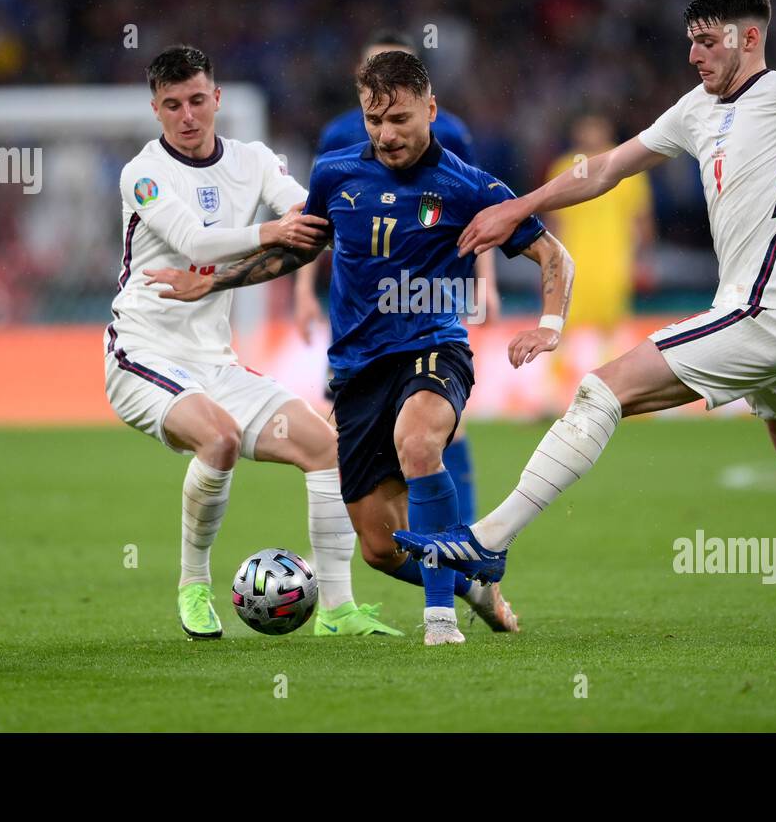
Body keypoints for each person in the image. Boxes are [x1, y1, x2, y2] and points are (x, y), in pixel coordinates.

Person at [396, 0, 776, 632]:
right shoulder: (695, 110)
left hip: (768, 310)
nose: (695, 56)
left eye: (707, 42)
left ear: (749, 39)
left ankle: (490, 539)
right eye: (690, 43)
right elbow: (603, 169)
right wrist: (521, 205)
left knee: (602, 389)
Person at [145, 51, 575, 645]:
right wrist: (213, 279)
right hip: (355, 370)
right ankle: (472, 584)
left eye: (399, 119)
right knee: (378, 546)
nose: (386, 134)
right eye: (374, 120)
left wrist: (550, 324)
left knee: (419, 443)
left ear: (431, 109)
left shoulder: (468, 186)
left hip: (433, 348)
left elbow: (554, 255)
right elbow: (299, 249)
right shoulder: (334, 173)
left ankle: (439, 622)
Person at [105, 44, 402, 640]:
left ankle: (338, 610)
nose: (187, 116)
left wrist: (316, 219)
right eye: (172, 105)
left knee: (326, 447)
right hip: (141, 354)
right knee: (218, 439)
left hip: (216, 361)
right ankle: (193, 585)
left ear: (216, 98)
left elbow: (309, 220)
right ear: (156, 111)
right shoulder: (142, 174)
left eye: (196, 100)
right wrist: (275, 230)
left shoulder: (253, 160)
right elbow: (194, 242)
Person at [294, 29, 500, 535]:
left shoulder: (449, 131)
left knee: (442, 426)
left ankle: (461, 531)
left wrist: (485, 281)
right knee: (334, 425)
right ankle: (371, 542)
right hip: (358, 309)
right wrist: (302, 292)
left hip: (428, 298)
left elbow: (482, 211)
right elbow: (313, 224)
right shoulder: (340, 138)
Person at [544, 112, 654, 334]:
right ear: (576, 132)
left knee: (611, 326)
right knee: (563, 323)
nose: (591, 134)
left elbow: (641, 219)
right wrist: (549, 263)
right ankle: (560, 367)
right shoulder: (564, 167)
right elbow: (554, 221)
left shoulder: (627, 167)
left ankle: (607, 365)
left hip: (613, 262)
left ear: (608, 129)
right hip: (573, 260)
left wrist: (643, 260)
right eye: (586, 128)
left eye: (596, 127)